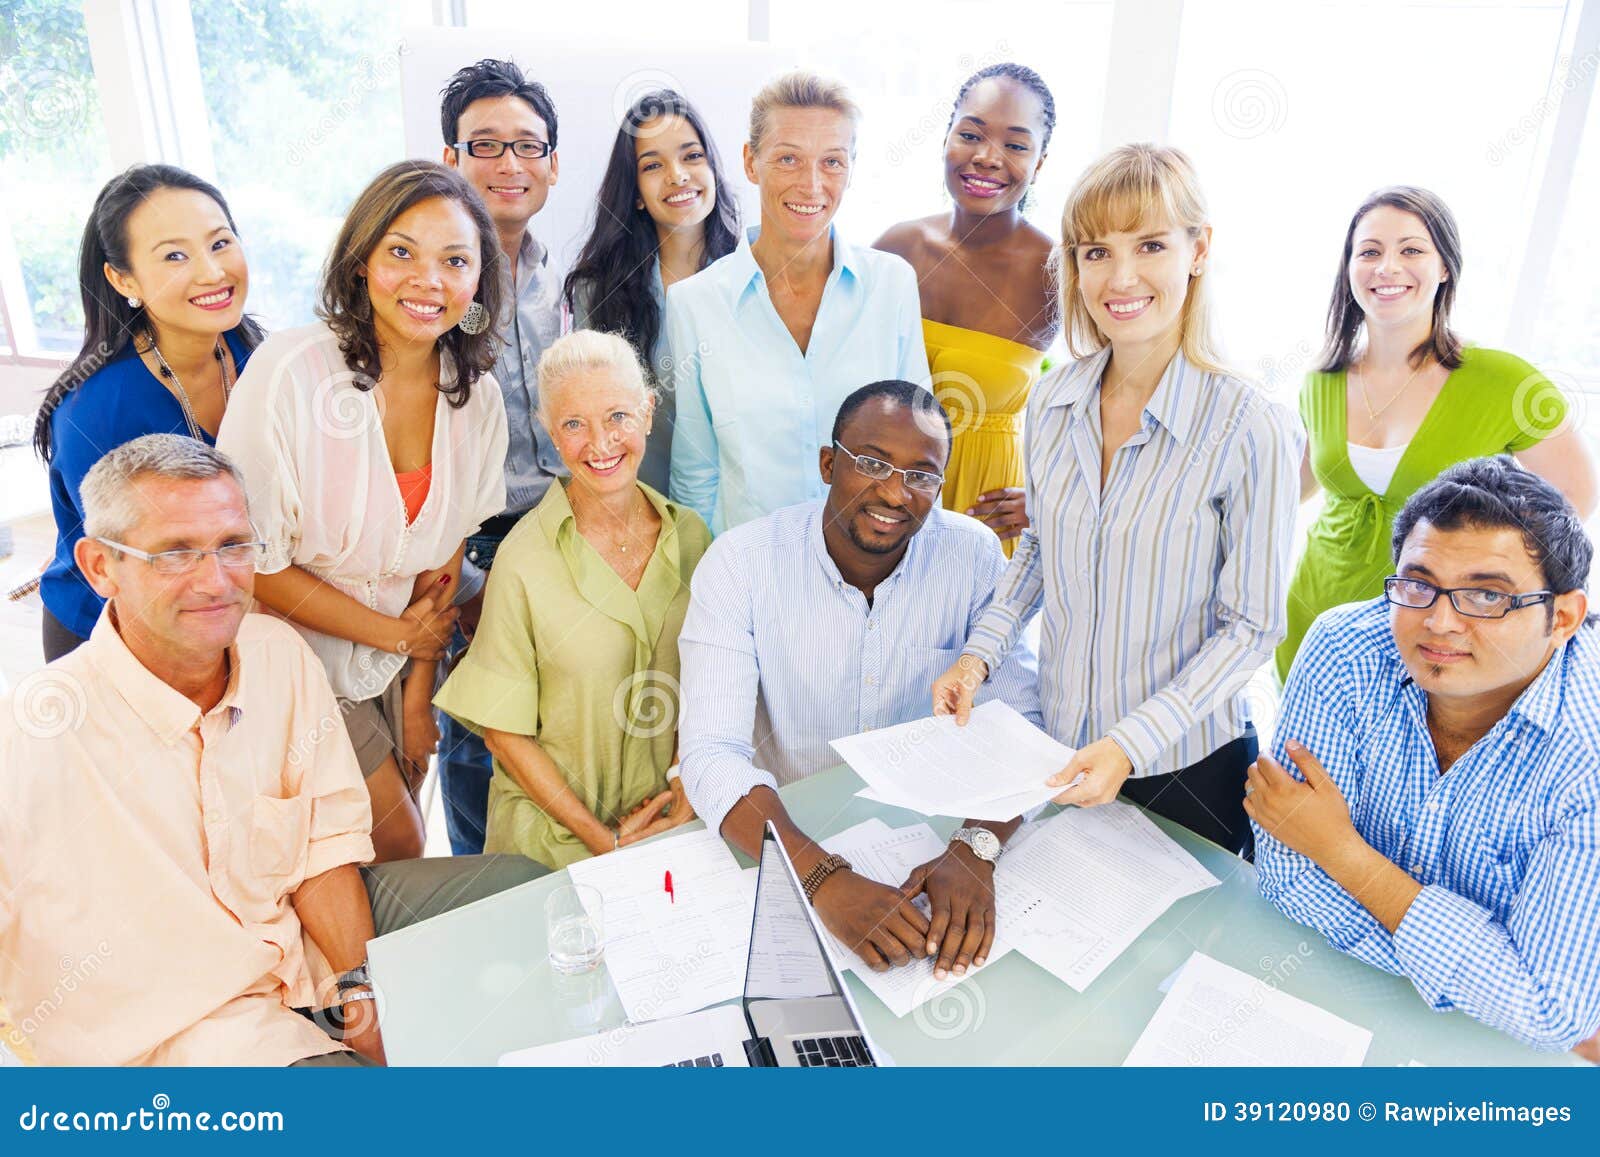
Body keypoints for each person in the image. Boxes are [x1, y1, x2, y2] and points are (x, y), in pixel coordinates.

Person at [0, 436, 541, 1066]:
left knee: (521, 893)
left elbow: (324, 849)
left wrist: (357, 991)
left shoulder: (276, 653)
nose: (216, 581)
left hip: (296, 946)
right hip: (187, 1027)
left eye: (233, 545)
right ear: (99, 567)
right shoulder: (32, 732)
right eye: (175, 553)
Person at [932, 145, 1303, 857]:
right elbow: (1038, 551)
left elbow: (1251, 627)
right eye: (1096, 251)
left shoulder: (1250, 422)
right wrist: (975, 659)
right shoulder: (1053, 398)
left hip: (1190, 770)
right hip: (1064, 746)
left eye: (1152, 245)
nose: (1121, 276)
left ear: (1199, 250)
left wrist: (1130, 743)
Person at [679, 381, 1041, 982]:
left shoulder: (974, 555)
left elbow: (1018, 720)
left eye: (921, 475)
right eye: (871, 463)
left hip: (934, 836)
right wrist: (820, 879)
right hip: (789, 833)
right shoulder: (741, 564)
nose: (894, 493)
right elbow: (711, 756)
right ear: (828, 464)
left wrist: (975, 847)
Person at [1250, 457, 1600, 1060]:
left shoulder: (1587, 751)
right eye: (1419, 584)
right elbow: (1286, 875)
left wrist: (1339, 850)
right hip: (1332, 999)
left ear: (1562, 617)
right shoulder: (1343, 648)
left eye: (1487, 595)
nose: (1439, 621)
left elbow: (1548, 1011)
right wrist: (1481, 971)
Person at [217, 161, 509, 864]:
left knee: (365, 855)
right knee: (402, 846)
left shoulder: (477, 398)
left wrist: (416, 693)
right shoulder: (291, 371)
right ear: (361, 260)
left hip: (393, 669)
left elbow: (442, 566)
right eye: (401, 252)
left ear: (476, 282)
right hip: (290, 662)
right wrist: (399, 638)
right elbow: (248, 566)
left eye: (454, 260)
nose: (427, 280)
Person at [1275, 186, 1598, 681]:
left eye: (1411, 250)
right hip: (1313, 615)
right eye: (1369, 252)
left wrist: (1491, 586)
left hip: (1438, 627)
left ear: (1444, 266)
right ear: (1349, 269)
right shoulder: (1322, 379)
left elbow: (1574, 498)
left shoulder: (1503, 380)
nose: (1387, 268)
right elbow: (1290, 488)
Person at [435, 332, 711, 869]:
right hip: (555, 845)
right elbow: (504, 733)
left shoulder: (693, 538)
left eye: (617, 417)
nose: (600, 444)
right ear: (549, 434)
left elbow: (710, 680)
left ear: (648, 412)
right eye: (573, 425)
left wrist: (685, 781)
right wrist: (601, 841)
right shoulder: (522, 559)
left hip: (670, 823)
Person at [666, 70, 929, 534]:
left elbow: (920, 452)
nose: (812, 185)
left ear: (851, 166)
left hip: (871, 577)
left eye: (832, 162)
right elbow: (695, 476)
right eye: (788, 158)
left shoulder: (892, 285)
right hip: (749, 582)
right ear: (751, 162)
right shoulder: (695, 303)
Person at [33, 164, 262, 661]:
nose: (212, 272)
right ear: (122, 278)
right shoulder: (96, 413)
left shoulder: (252, 353)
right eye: (175, 256)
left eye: (220, 243)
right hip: (113, 632)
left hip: (220, 610)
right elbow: (138, 575)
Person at [435, 58, 570, 856]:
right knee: (478, 743)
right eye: (485, 145)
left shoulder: (566, 279)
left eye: (528, 145)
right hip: (470, 550)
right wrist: (465, 580)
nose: (509, 164)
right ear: (450, 160)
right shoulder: (431, 281)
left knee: (556, 736)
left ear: (553, 162)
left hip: (558, 538)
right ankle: (481, 916)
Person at [875, 63, 1058, 556]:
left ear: (1040, 162)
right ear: (946, 139)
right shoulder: (896, 249)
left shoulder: (1060, 273)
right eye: (971, 134)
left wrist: (1053, 499)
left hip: (985, 519)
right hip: (881, 506)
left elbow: (1114, 404)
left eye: (1016, 145)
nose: (987, 157)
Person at [564, 87, 741, 493]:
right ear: (637, 194)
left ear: (713, 168)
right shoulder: (598, 291)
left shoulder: (757, 272)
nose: (678, 175)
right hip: (644, 507)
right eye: (652, 165)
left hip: (741, 511)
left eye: (692, 156)